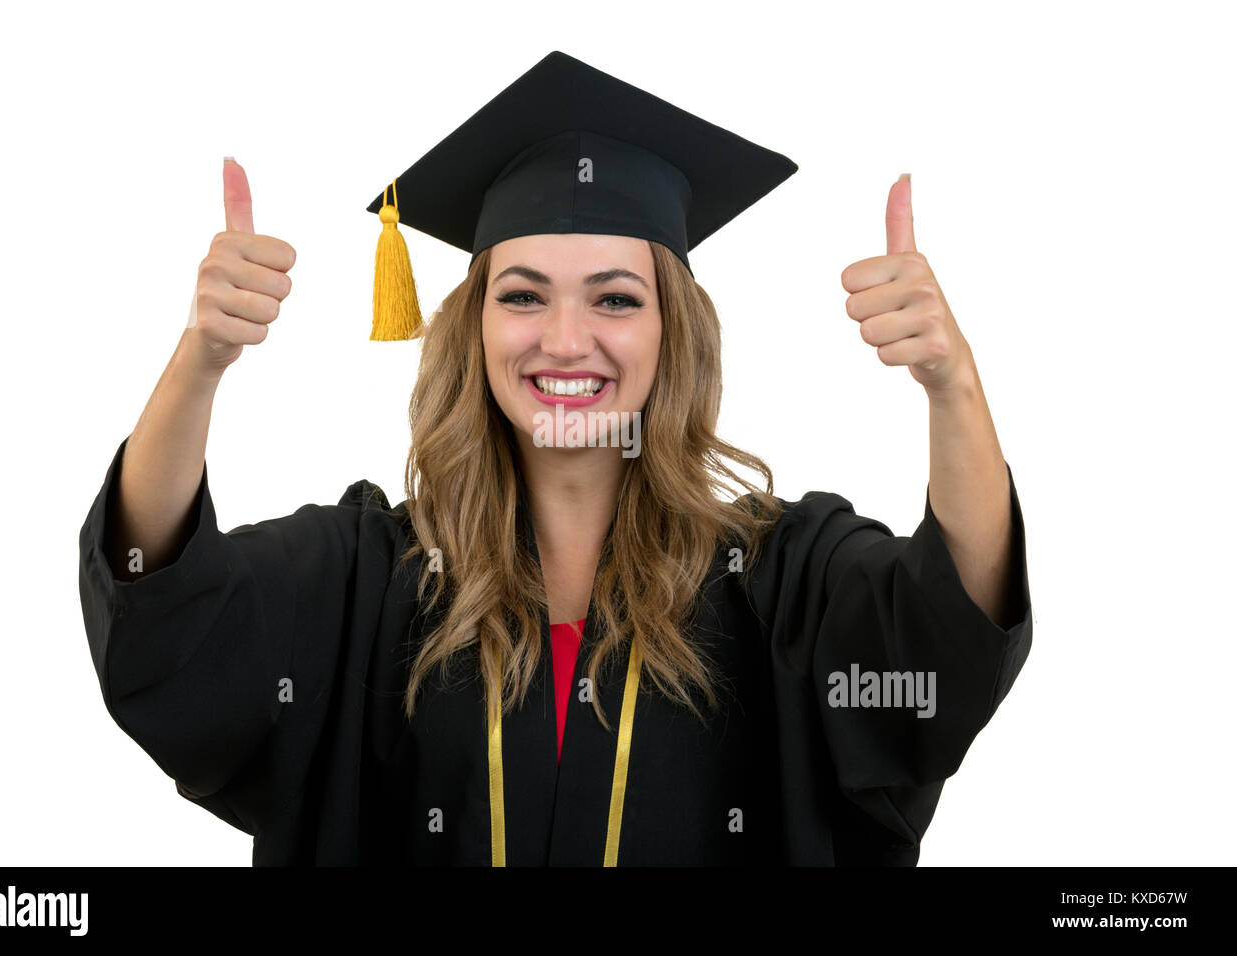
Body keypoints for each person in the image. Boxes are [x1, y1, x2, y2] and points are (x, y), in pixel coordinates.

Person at [78, 51, 1032, 866]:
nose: (566, 340)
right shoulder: (370, 578)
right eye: (523, 296)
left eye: (615, 299)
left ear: (673, 333)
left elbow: (950, 635)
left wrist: (953, 387)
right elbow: (165, 610)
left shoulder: (778, 577)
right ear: (474, 326)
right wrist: (199, 363)